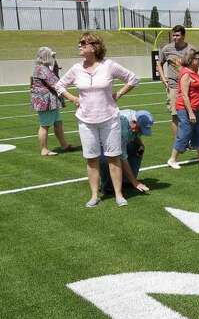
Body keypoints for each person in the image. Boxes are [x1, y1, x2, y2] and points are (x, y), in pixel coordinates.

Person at [52, 32, 139, 207]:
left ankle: (119, 195)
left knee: (114, 156)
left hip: (109, 118)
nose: (80, 45)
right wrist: (73, 98)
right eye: (79, 43)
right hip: (86, 120)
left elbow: (133, 78)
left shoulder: (109, 66)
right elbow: (59, 85)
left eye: (83, 43)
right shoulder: (76, 69)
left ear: (94, 46)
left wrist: (119, 94)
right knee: (91, 159)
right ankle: (94, 195)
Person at [166, 47, 199, 169]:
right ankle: (172, 159)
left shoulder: (194, 71)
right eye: (198, 59)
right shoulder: (186, 74)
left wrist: (198, 68)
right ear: (191, 59)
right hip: (185, 108)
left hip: (195, 107)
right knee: (185, 132)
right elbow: (184, 95)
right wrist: (191, 113)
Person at [30, 46, 73, 157]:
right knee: (45, 125)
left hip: (50, 101)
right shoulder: (42, 69)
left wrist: (55, 60)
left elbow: (55, 73)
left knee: (58, 123)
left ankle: (64, 145)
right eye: (51, 56)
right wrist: (71, 96)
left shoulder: (43, 67)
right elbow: (55, 82)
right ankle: (44, 149)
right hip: (45, 101)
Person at [156, 25, 193, 146]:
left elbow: (197, 67)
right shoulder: (167, 49)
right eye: (173, 35)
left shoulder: (190, 49)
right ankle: (179, 142)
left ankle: (190, 140)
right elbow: (159, 63)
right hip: (173, 86)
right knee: (175, 116)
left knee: (190, 115)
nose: (174, 37)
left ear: (183, 35)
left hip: (188, 87)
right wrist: (163, 79)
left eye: (177, 35)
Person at [101, 109, 154, 195]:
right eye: (139, 129)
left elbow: (135, 135)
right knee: (109, 158)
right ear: (134, 122)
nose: (139, 132)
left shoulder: (136, 117)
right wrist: (135, 182)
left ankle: (126, 180)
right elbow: (123, 157)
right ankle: (108, 186)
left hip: (120, 140)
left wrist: (141, 145)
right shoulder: (122, 124)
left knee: (137, 147)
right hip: (103, 144)